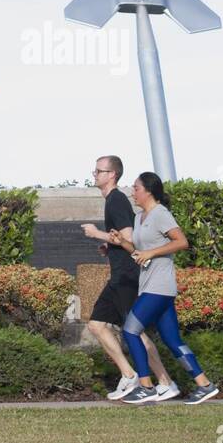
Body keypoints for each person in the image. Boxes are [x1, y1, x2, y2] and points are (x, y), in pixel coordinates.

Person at [109, 172, 219, 405]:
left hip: (161, 285)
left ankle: (147, 387)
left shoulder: (161, 214)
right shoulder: (139, 218)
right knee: (172, 339)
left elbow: (181, 242)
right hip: (148, 284)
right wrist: (123, 243)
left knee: (130, 330)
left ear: (148, 190)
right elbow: (140, 254)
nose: (132, 192)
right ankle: (204, 384)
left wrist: (152, 252)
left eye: (136, 188)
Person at [80, 155, 178, 401]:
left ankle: (165, 382)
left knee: (135, 332)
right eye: (95, 171)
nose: (95, 174)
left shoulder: (117, 201)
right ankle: (129, 374)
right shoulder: (112, 200)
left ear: (112, 174)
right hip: (119, 276)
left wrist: (96, 234)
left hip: (128, 277)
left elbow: (129, 238)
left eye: (99, 171)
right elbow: (122, 240)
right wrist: (109, 247)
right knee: (96, 325)